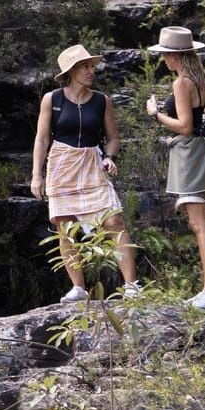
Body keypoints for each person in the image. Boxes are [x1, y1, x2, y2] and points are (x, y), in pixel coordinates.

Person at [30, 44, 136, 303]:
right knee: (64, 226)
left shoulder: (102, 100)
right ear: (71, 71)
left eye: (92, 66)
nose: (91, 71)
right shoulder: (52, 100)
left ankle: (132, 285)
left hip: (91, 162)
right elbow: (42, 139)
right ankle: (79, 288)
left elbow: (113, 138)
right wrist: (36, 174)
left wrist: (109, 157)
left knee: (114, 221)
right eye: (85, 67)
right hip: (61, 163)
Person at [145, 26, 205, 311]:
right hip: (199, 153)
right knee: (198, 222)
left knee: (199, 223)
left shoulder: (182, 83)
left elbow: (185, 127)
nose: (163, 60)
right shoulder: (200, 81)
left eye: (166, 55)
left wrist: (156, 114)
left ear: (176, 56)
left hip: (190, 154)